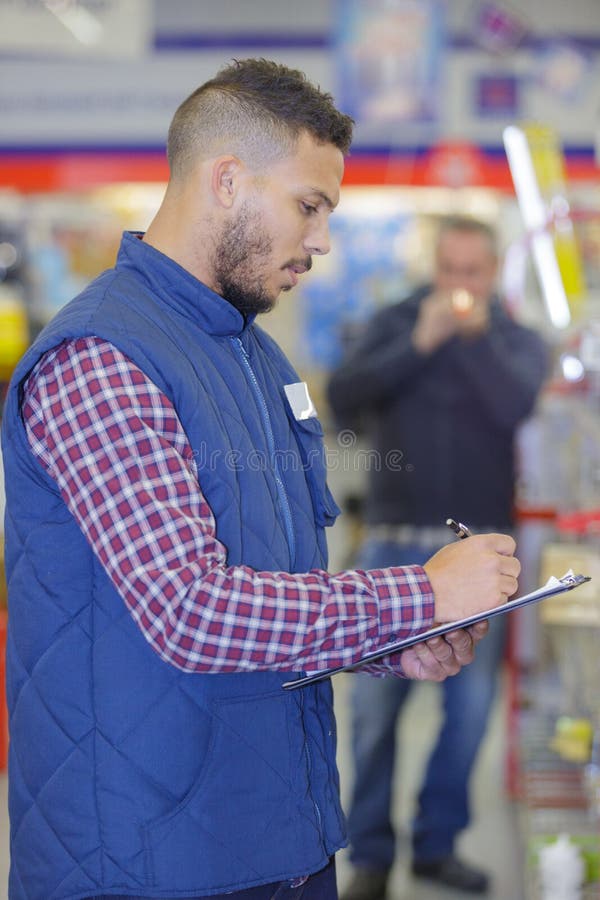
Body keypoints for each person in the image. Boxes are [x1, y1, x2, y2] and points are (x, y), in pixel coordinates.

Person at [1, 62, 521, 900]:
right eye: (309, 207)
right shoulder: (102, 358)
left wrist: (391, 648)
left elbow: (273, 594)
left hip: (276, 833)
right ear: (228, 181)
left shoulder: (252, 353)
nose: (321, 241)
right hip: (150, 860)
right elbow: (190, 611)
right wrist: (415, 599)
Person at [327, 215, 548, 897]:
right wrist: (419, 343)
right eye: (448, 270)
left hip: (481, 553)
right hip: (394, 544)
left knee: (470, 711)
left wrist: (474, 340)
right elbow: (340, 402)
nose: (459, 285)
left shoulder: (513, 338)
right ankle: (368, 855)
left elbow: (517, 405)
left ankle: (435, 844)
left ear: (492, 272)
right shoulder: (395, 322)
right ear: (434, 268)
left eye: (471, 272)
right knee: (373, 711)